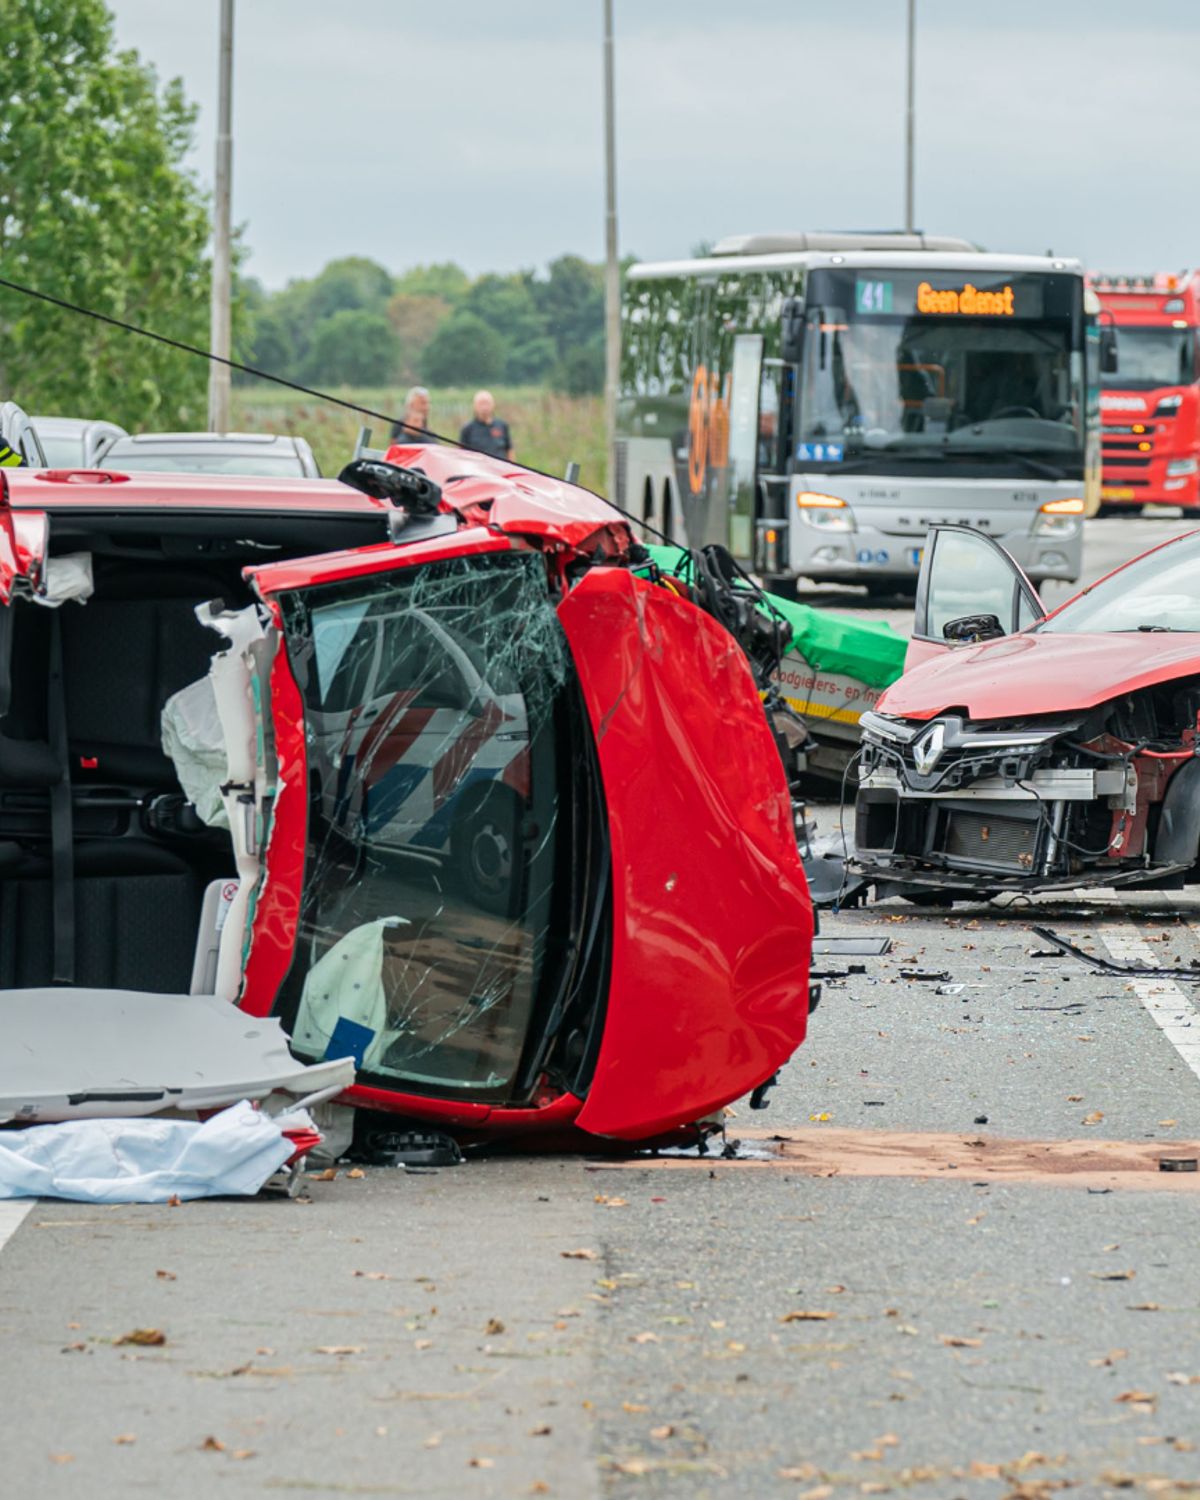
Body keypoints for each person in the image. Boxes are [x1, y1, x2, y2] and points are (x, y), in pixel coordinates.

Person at [459, 391, 513, 461]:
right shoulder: (467, 429)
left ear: (493, 405)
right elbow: (461, 453)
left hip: (500, 469)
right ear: (474, 406)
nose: (484, 407)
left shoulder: (502, 426)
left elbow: (509, 450)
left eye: (487, 403)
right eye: (481, 404)